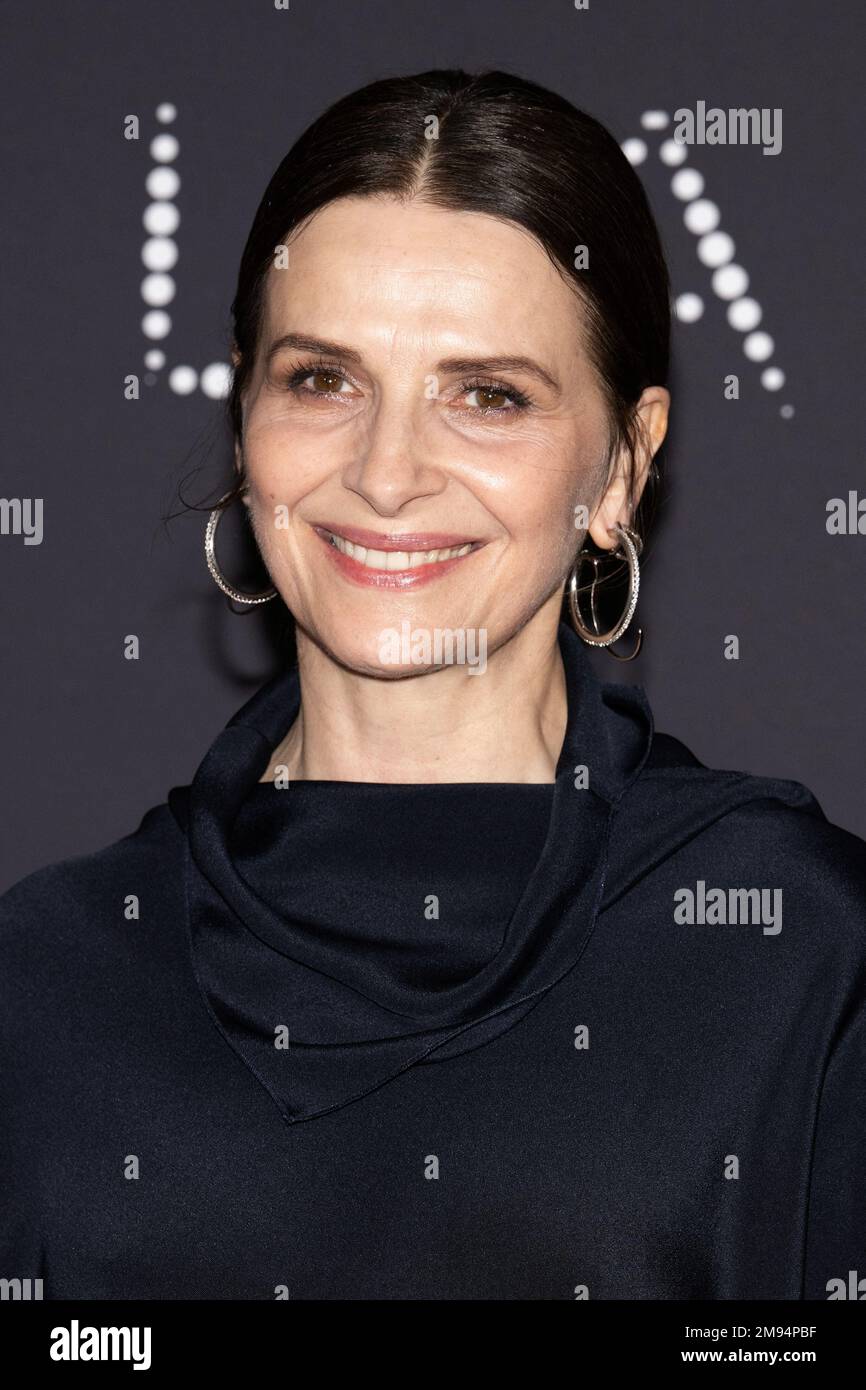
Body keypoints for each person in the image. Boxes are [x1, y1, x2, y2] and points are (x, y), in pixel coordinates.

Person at [1, 68, 864, 1301]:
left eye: (486, 395)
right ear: (246, 417)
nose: (387, 471)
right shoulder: (47, 975)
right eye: (322, 379)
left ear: (621, 465)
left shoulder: (798, 954)